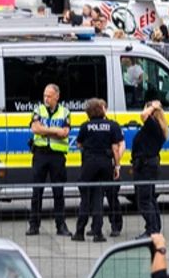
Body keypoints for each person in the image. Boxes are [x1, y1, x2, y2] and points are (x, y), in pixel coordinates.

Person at [73, 98, 124, 242]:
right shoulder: (112, 125)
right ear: (102, 110)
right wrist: (117, 166)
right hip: (105, 163)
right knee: (98, 198)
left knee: (85, 198)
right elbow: (115, 148)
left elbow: (78, 144)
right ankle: (98, 233)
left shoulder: (85, 126)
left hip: (89, 163)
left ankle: (79, 232)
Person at [27, 84, 72, 236]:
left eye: (49, 96)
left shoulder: (65, 111)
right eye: (44, 95)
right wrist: (55, 131)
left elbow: (65, 133)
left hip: (57, 156)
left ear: (57, 97)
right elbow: (36, 129)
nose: (46, 98)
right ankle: (34, 225)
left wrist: (45, 131)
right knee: (36, 192)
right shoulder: (38, 109)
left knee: (58, 192)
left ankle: (61, 226)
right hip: (40, 154)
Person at [132, 99, 168, 238]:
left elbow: (143, 116)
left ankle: (152, 231)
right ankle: (155, 228)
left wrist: (152, 106)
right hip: (148, 164)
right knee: (150, 198)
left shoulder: (152, 125)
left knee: (144, 200)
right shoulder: (157, 126)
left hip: (145, 166)